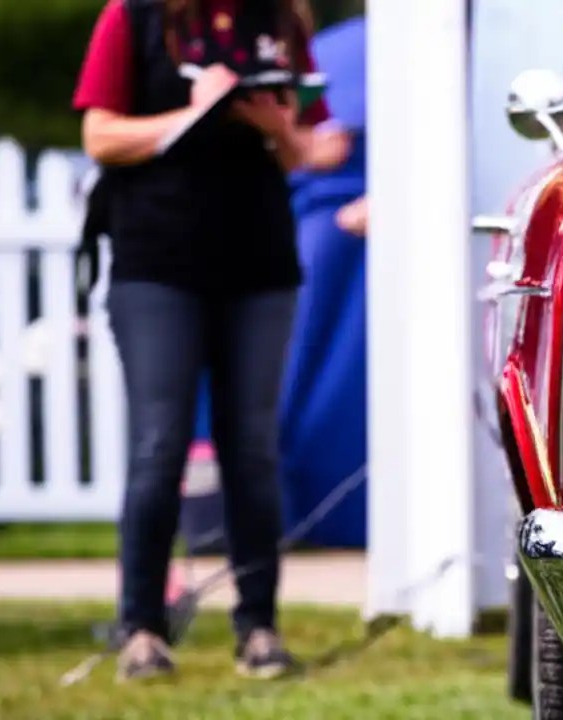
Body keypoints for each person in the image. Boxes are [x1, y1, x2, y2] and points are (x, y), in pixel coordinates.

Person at [73, 0, 351, 682]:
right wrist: (193, 114)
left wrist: (278, 130)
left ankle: (259, 628)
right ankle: (142, 629)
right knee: (159, 444)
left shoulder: (280, 20)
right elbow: (100, 136)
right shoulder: (133, 17)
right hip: (156, 262)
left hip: (259, 263)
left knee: (252, 449)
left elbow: (313, 147)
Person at [279, 12, 367, 550]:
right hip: (320, 222)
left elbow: (328, 147)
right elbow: (320, 147)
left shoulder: (343, 48)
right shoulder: (339, 48)